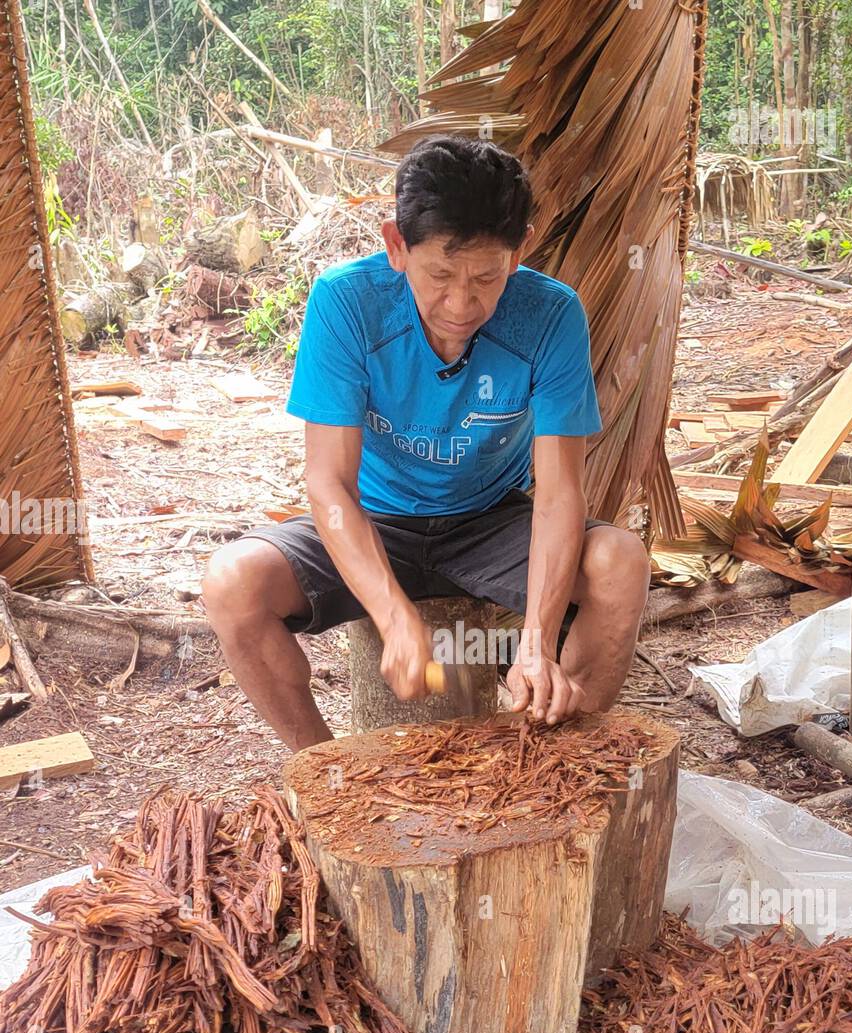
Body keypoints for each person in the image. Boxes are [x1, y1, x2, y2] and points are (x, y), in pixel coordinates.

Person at [202, 134, 650, 752]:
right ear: (396, 246)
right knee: (233, 581)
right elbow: (328, 483)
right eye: (439, 274)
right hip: (375, 520)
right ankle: (324, 773)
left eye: (486, 279)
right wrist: (392, 615)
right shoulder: (347, 302)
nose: (461, 305)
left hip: (492, 523)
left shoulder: (551, 315)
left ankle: (554, 763)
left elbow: (557, 492)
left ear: (516, 258)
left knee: (620, 564)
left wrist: (538, 640)